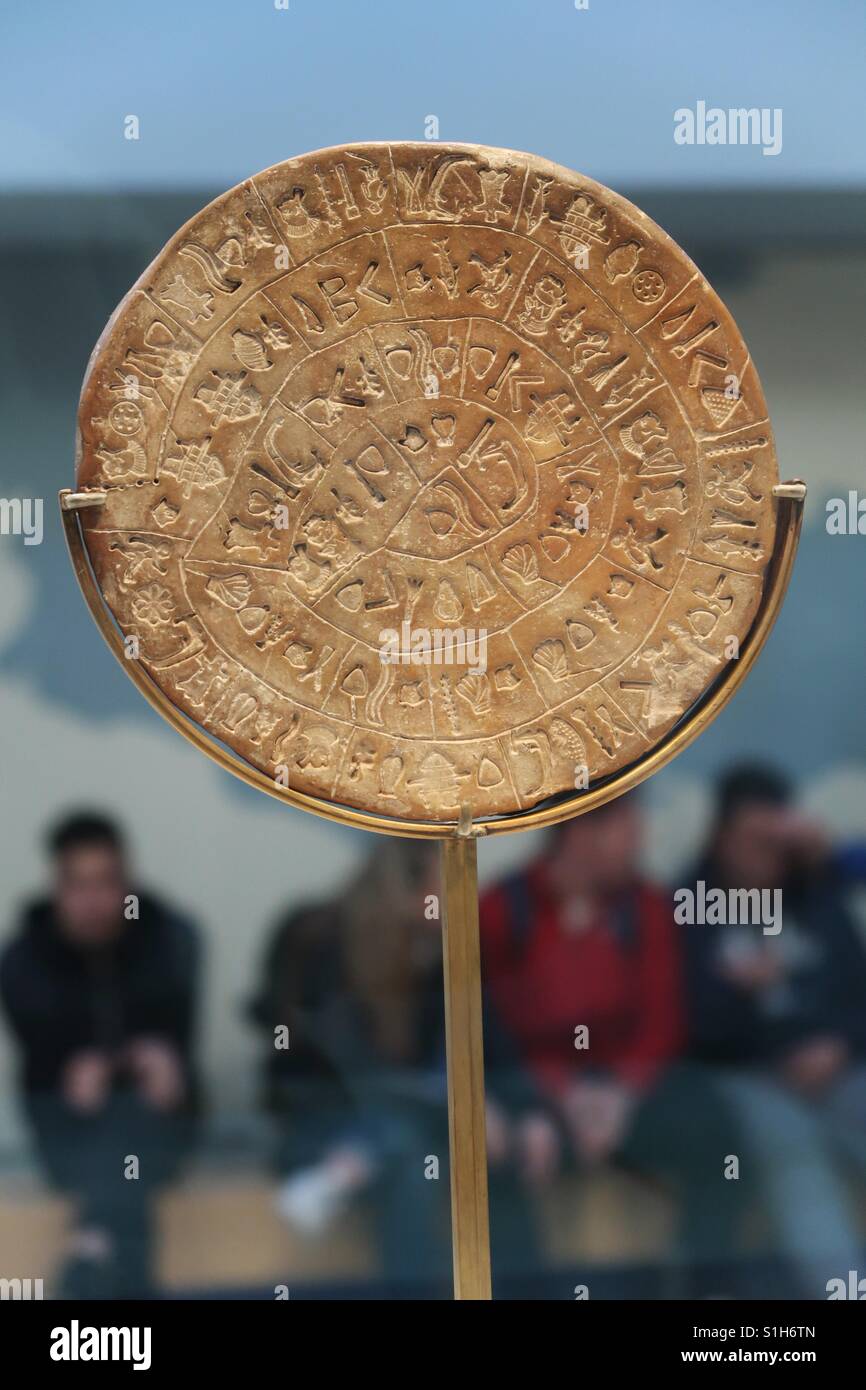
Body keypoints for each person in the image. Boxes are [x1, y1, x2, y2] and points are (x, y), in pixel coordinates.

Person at [248, 837, 545, 1295]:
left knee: (486, 1155)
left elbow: (490, 1043)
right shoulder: (322, 944)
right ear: (410, 892)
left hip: (412, 1127)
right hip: (323, 1125)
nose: (462, 898)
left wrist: (522, 1111)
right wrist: (461, 1110)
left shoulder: (442, 952)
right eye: (447, 883)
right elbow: (334, 1075)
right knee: (410, 1159)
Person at [479, 793, 746, 1295]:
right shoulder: (503, 908)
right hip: (536, 1090)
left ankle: (705, 1286)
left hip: (625, 1093)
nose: (637, 849)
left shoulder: (645, 907)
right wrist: (559, 1094)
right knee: (501, 1150)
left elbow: (663, 1019)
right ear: (580, 835)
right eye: (627, 836)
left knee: (718, 1132)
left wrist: (621, 1092)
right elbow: (494, 1028)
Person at [680, 763, 866, 1297]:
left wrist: (839, 1044)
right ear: (722, 836)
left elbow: (860, 995)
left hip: (838, 1067)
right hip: (747, 1077)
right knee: (793, 1153)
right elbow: (689, 1030)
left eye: (775, 839)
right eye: (752, 838)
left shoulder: (814, 894)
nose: (766, 853)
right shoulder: (687, 907)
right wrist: (745, 1002)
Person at [0, 812, 200, 1298]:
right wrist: (92, 1072)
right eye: (78, 884)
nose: (93, 900)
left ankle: (92, 1249)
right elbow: (48, 1071)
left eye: (105, 882)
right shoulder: (24, 958)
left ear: (126, 881)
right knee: (117, 1123)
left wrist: (162, 1068)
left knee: (129, 1114)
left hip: (161, 1131)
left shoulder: (170, 941)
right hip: (69, 1136)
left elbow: (176, 1062)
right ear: (57, 887)